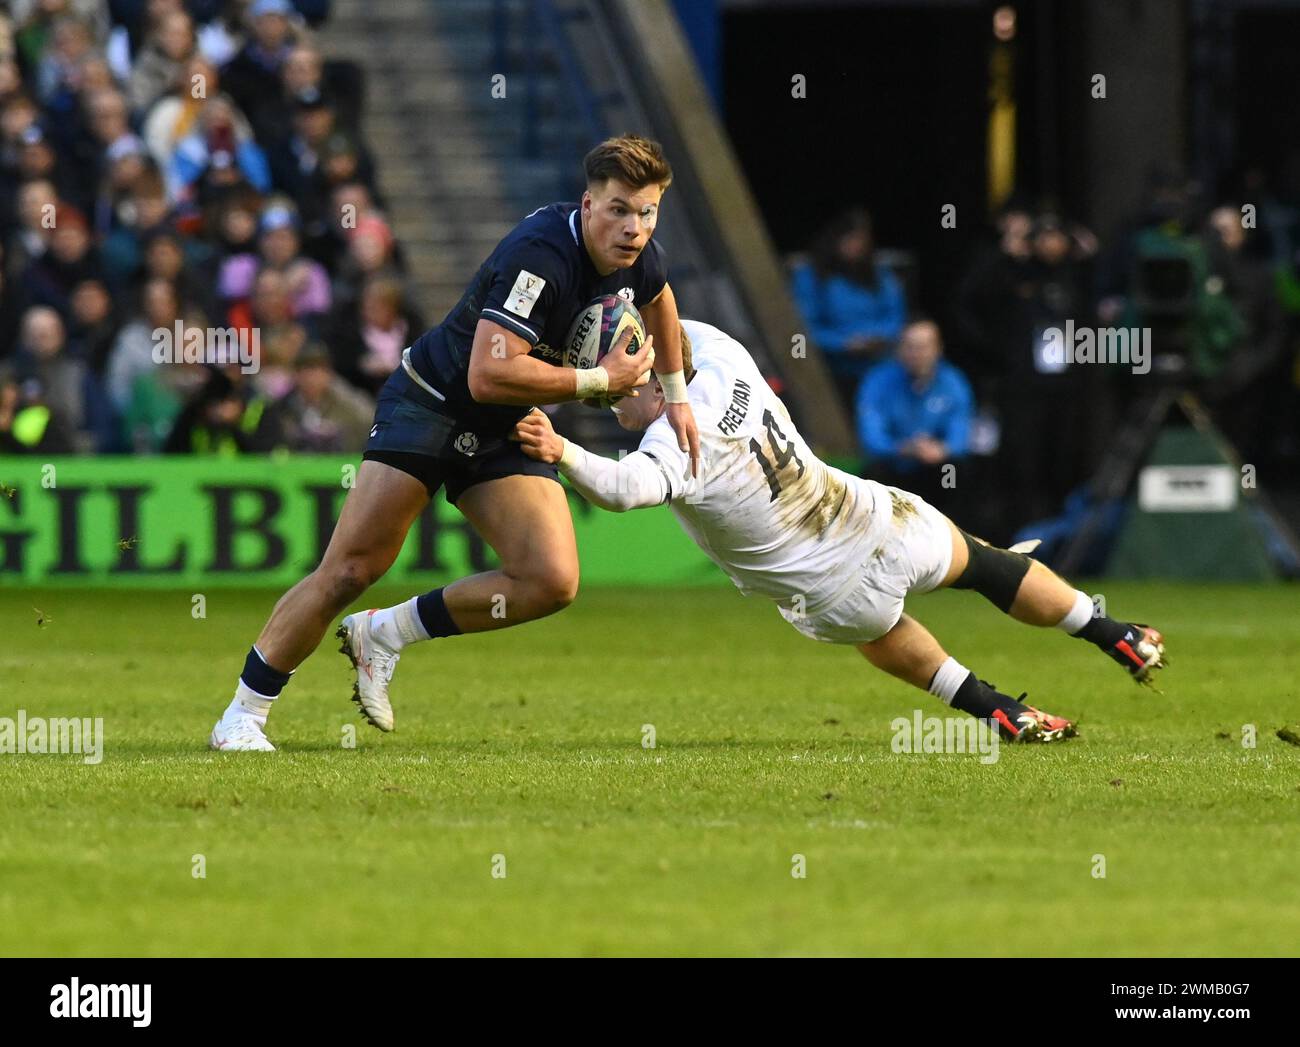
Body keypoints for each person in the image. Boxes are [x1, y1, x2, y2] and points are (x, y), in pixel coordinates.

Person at [209, 133, 701, 751]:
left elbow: (660, 299)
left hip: (503, 422)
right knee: (351, 569)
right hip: (432, 403)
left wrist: (676, 397)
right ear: (587, 203)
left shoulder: (641, 255)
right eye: (619, 209)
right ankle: (242, 716)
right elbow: (486, 374)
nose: (634, 228)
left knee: (550, 580)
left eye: (647, 212)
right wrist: (599, 380)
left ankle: (383, 633)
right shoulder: (540, 257)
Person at [510, 319, 1167, 742]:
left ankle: (996, 708)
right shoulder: (723, 353)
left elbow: (622, 490)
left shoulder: (673, 442)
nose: (606, 397)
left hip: (829, 588)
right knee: (990, 566)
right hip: (880, 519)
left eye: (614, 388)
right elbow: (673, 323)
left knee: (881, 631)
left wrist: (560, 449)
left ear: (655, 380)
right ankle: (1116, 633)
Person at [855, 318, 973, 510]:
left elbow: (961, 435)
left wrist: (941, 449)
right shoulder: (878, 381)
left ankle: (952, 525)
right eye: (910, 347)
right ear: (898, 349)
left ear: (938, 349)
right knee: (874, 472)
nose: (917, 354)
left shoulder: (954, 382)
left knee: (954, 471)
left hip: (934, 466)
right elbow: (871, 437)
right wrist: (904, 448)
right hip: (895, 464)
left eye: (923, 347)